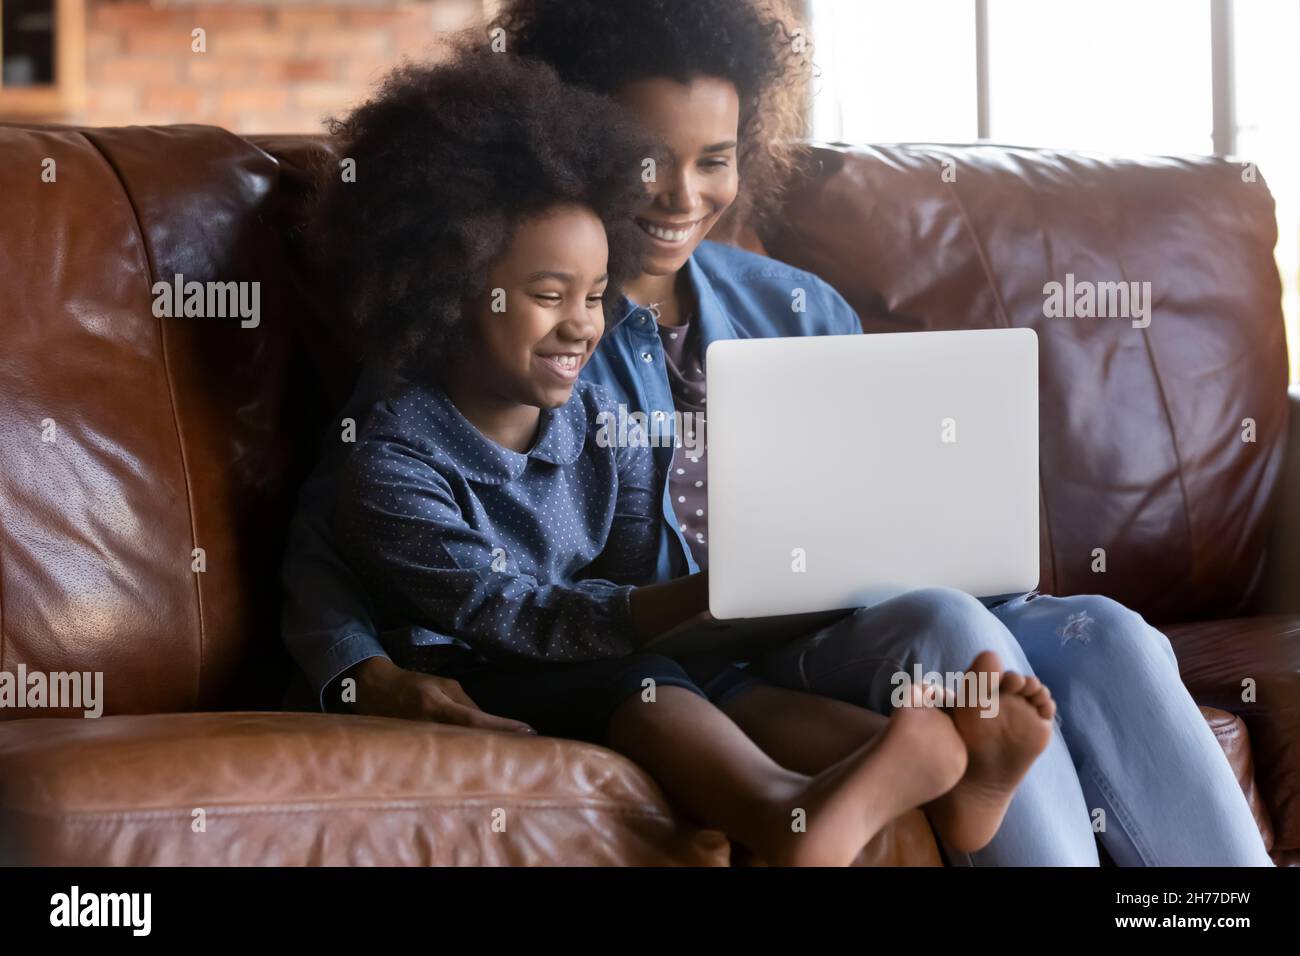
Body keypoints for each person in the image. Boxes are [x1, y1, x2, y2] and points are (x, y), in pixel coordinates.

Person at [283, 0, 1272, 866]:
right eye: (643, 158)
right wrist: (358, 672)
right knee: (953, 635)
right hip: (715, 647)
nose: (680, 196)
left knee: (1106, 632)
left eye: (713, 160)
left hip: (844, 611)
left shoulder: (793, 305)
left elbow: (891, 501)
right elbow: (342, 521)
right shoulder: (495, 341)